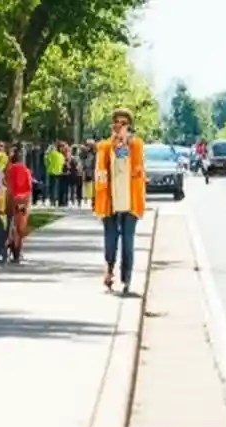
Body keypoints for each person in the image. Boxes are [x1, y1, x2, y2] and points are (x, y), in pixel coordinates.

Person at [94, 108, 146, 294]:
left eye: (123, 123)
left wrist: (125, 146)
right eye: (117, 123)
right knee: (110, 238)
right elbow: (100, 173)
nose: (119, 127)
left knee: (127, 241)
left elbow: (138, 170)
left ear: (129, 126)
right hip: (110, 202)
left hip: (131, 201)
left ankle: (127, 278)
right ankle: (109, 270)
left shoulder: (136, 146)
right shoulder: (105, 147)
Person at [6, 147, 33, 262]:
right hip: (22, 200)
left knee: (10, 223)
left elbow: (8, 185)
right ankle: (17, 250)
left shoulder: (10, 169)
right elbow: (29, 187)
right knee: (19, 226)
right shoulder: (26, 170)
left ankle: (12, 247)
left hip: (12, 198)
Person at [45, 141, 66, 208]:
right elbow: (62, 164)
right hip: (58, 172)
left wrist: (48, 167)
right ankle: (56, 201)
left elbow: (46, 160)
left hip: (52, 172)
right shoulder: (61, 156)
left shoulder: (52, 153)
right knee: (57, 188)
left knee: (52, 187)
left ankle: (53, 201)